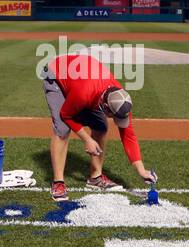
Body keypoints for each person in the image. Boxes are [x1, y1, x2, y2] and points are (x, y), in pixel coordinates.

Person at [40, 50, 156, 201]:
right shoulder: (84, 93)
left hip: (81, 75)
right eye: (113, 116)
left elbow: (128, 135)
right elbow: (66, 114)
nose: (116, 120)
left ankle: (95, 178)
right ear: (105, 107)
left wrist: (141, 170)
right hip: (56, 74)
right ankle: (58, 182)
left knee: (101, 126)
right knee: (62, 129)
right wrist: (86, 138)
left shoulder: (121, 100)